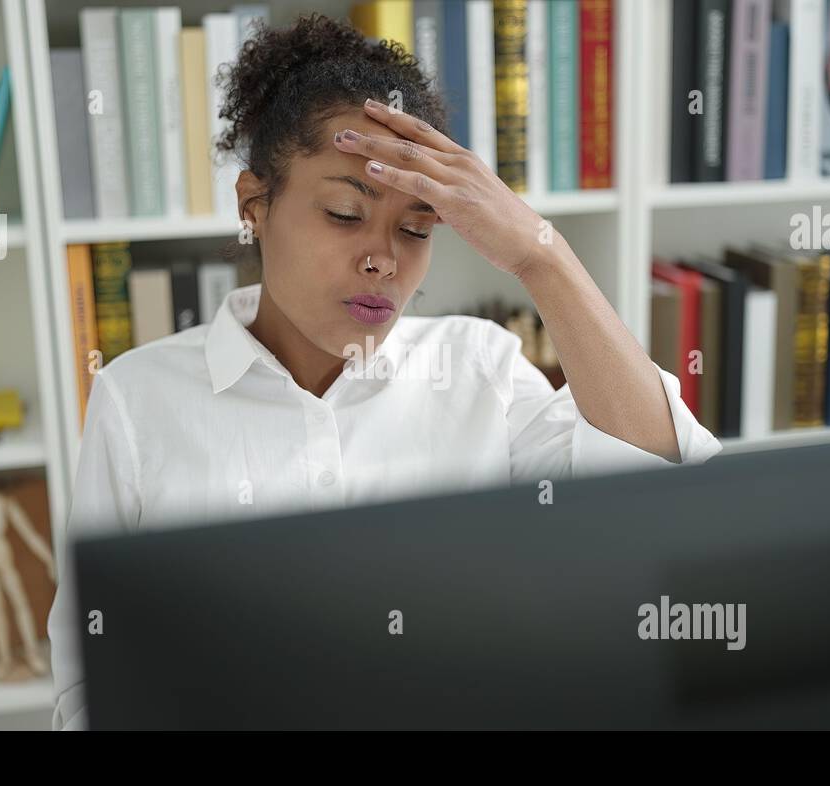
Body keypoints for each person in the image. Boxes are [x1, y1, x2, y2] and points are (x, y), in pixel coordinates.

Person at [48, 13, 722, 730]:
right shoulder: (139, 399)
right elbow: (86, 690)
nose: (383, 258)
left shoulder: (478, 371)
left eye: (416, 228)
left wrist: (539, 255)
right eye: (345, 212)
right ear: (254, 205)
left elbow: (664, 491)